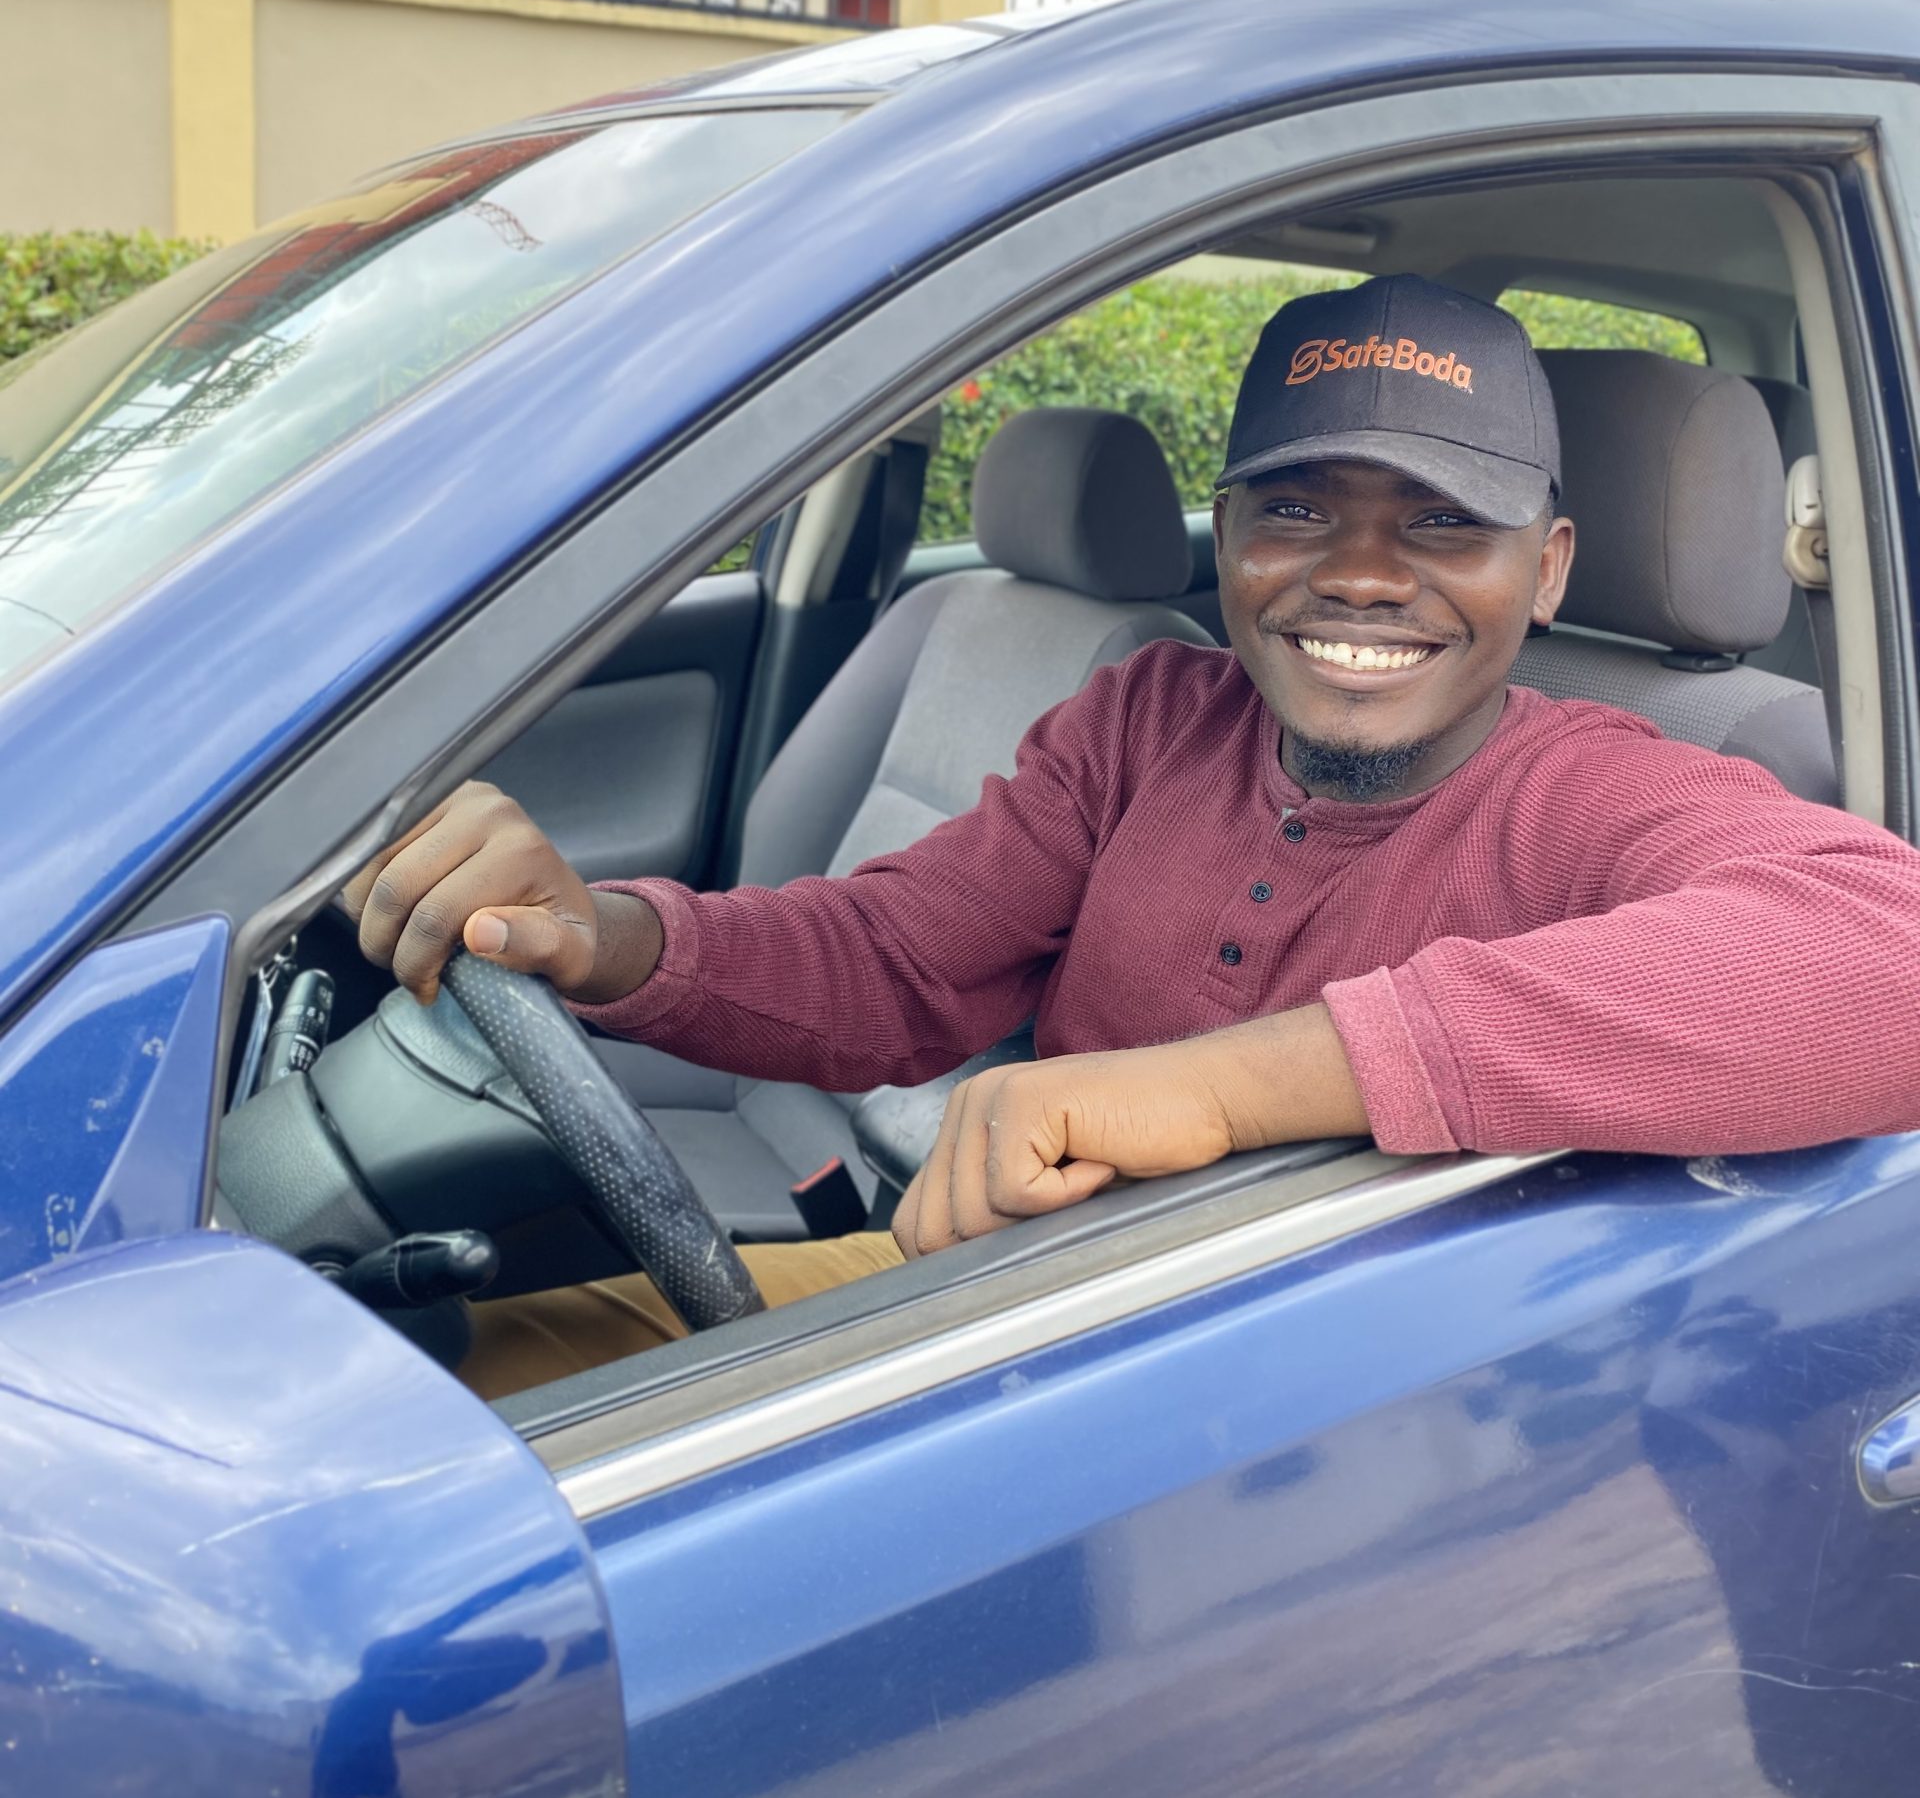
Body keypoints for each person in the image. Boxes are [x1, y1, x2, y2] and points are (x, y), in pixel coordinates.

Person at [345, 276, 1920, 1398]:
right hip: (995, 1306)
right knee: (440, 1406)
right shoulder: (1153, 718)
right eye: (1300, 510)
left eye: (1446, 522)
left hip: (1266, 1416)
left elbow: (1889, 961)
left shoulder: (1602, 793)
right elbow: (893, 957)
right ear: (1226, 537)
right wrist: (602, 934)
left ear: (1554, 566)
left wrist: (1212, 1088)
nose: (1363, 575)